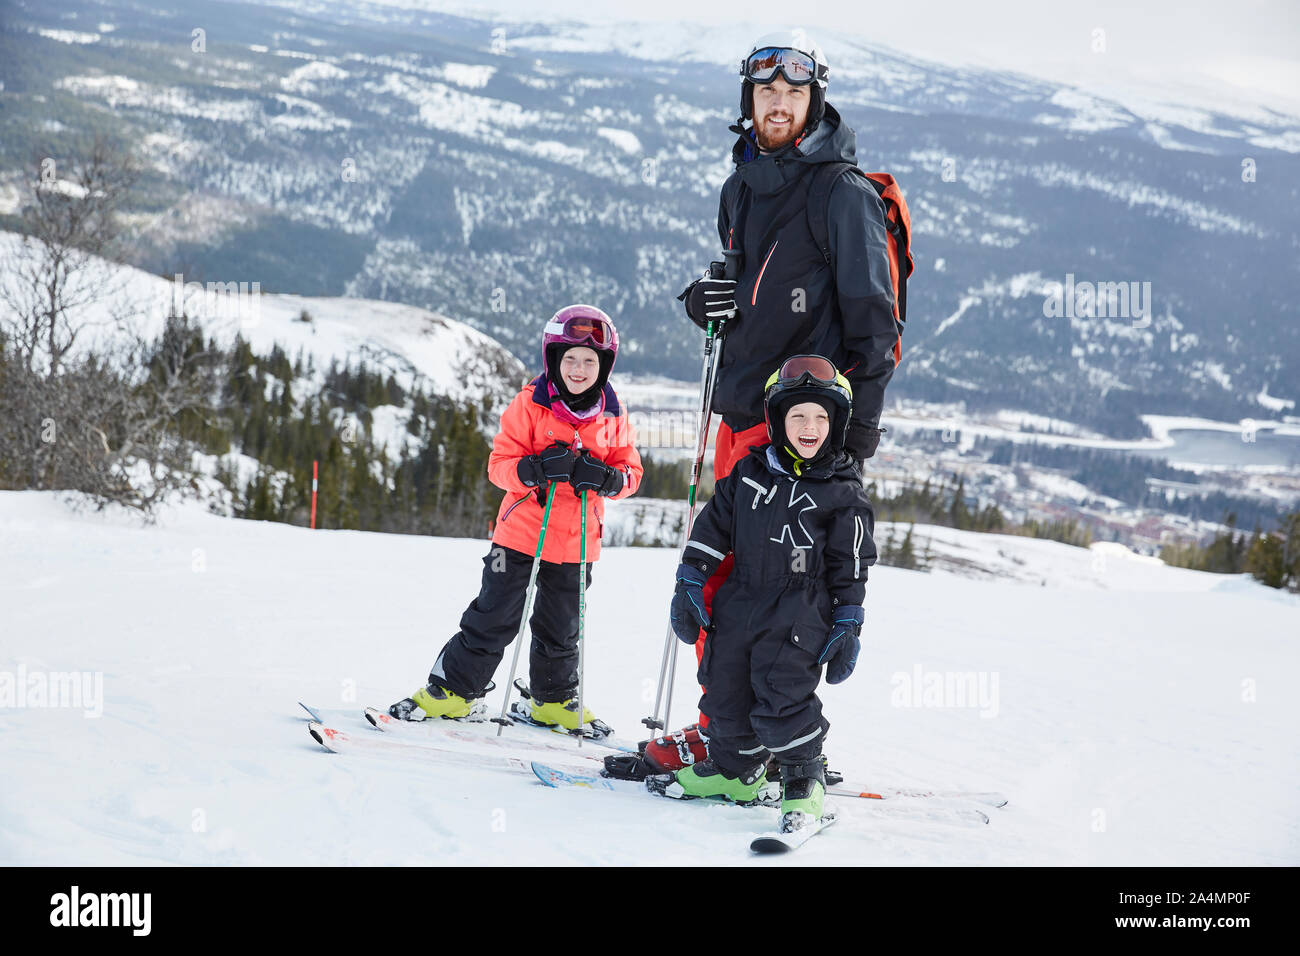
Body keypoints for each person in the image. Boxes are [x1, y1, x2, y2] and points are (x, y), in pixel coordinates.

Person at [638, 30, 903, 772]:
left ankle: (750, 739)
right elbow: (744, 288)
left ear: (813, 98)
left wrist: (859, 434)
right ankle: (726, 730)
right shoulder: (743, 182)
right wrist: (704, 300)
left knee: (770, 593)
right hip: (739, 410)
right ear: (748, 99)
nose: (778, 103)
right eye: (765, 91)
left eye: (792, 92)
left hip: (799, 425)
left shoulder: (840, 195)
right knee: (723, 576)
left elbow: (876, 325)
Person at [389, 305, 643, 735]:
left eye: (589, 361)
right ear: (553, 359)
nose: (578, 369)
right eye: (570, 359)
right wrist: (535, 468)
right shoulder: (531, 404)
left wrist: (603, 477)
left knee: (561, 626)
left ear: (604, 366)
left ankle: (553, 699)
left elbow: (631, 476)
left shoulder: (613, 416)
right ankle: (453, 690)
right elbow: (498, 465)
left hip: (577, 541)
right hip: (521, 534)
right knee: (495, 613)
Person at [649, 355, 877, 829]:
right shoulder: (750, 473)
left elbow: (850, 562)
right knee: (723, 688)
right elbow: (712, 529)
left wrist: (848, 619)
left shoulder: (843, 493)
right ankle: (737, 770)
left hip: (800, 611)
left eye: (821, 416)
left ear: (836, 424)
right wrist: (690, 579)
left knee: (782, 697)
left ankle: (803, 779)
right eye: (798, 415)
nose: (809, 426)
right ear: (777, 420)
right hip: (740, 600)